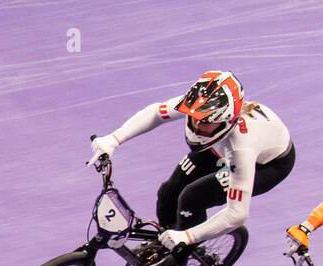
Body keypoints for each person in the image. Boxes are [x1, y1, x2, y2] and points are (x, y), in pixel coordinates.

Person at [89, 70, 295, 252]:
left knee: (193, 197)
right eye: (194, 118)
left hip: (268, 165)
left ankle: (182, 255)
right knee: (169, 191)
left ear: (226, 121)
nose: (197, 127)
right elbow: (156, 112)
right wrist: (113, 140)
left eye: (205, 123)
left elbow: (237, 214)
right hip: (219, 146)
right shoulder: (202, 104)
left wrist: (186, 237)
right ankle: (167, 241)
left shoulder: (241, 148)